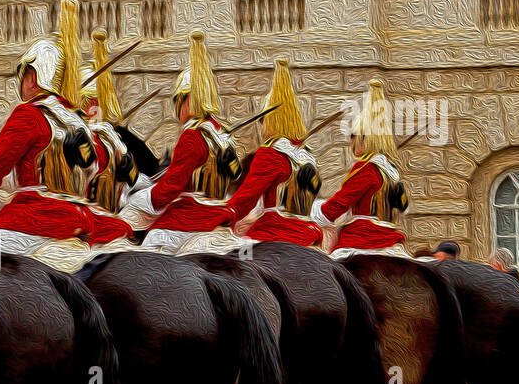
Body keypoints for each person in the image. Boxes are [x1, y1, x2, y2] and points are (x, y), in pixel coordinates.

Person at [0, 0, 132, 257]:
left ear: (33, 76)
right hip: (81, 221)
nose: (22, 82)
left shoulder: (30, 115)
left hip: (33, 222)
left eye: (24, 74)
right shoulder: (81, 124)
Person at [121, 30, 241, 253]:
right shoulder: (221, 136)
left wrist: (141, 198)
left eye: (179, 101)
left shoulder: (193, 136)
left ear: (185, 101)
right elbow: (235, 175)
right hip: (219, 216)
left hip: (188, 220)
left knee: (144, 254)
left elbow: (170, 189)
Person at [217, 56, 323, 246]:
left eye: (263, 121)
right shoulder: (307, 156)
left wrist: (216, 215)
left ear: (270, 121)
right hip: (308, 233)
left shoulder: (270, 153)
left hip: (275, 231)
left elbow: (245, 201)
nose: (262, 128)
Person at [312, 78, 408, 257]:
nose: (351, 142)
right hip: (390, 239)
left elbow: (336, 208)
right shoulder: (389, 172)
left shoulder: (366, 169)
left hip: (362, 239)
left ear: (365, 138)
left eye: (353, 136)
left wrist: (310, 209)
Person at [81, 27, 139, 243]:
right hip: (113, 221)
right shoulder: (112, 139)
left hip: (87, 226)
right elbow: (132, 177)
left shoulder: (92, 138)